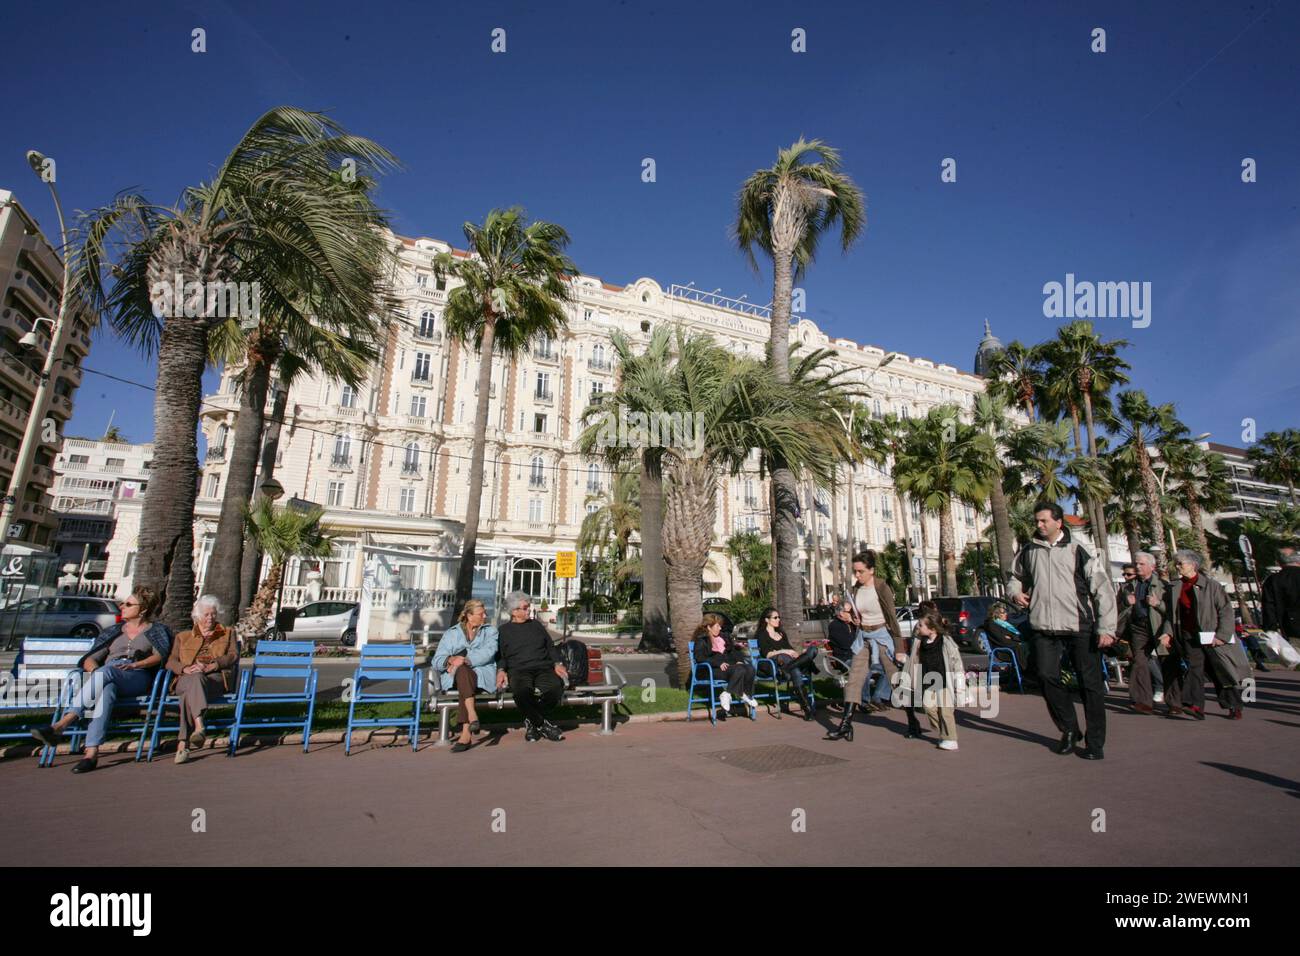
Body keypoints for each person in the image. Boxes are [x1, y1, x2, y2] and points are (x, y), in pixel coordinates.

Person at [1007, 501, 1116, 760]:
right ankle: (1069, 729)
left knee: (1090, 685)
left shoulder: (1078, 550)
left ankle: (1095, 742)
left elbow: (1102, 588)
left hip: (1079, 625)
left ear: (1058, 522)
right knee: (1046, 677)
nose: (1039, 525)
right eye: (1037, 521)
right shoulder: (1028, 550)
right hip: (1043, 624)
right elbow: (1014, 577)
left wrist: (1106, 627)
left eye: (1044, 521)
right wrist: (1014, 592)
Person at [30, 586, 173, 773]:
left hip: (138, 676)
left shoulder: (156, 630)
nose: (122, 606)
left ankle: (62, 724)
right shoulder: (114, 631)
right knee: (106, 691)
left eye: (128, 604)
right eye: (123, 603)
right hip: (109, 674)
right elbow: (89, 658)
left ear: (143, 609)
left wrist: (136, 665)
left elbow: (161, 656)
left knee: (106, 674)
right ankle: (91, 754)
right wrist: (98, 673)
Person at [826, 550, 913, 740]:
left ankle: (912, 721)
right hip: (864, 636)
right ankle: (845, 725)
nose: (857, 575)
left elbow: (892, 618)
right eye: (855, 571)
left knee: (894, 680)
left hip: (882, 636)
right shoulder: (856, 588)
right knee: (854, 679)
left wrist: (899, 649)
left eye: (860, 571)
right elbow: (860, 615)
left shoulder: (882, 588)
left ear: (871, 570)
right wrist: (855, 619)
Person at [1161, 550, 1245, 720]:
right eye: (1176, 563)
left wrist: (1222, 635)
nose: (1177, 567)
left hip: (1212, 636)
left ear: (1193, 565)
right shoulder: (1175, 587)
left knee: (1219, 671)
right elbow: (1171, 614)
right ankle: (1195, 705)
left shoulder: (1212, 586)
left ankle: (1233, 704)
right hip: (1188, 635)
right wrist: (1167, 633)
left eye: (1181, 564)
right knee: (1194, 668)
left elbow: (1225, 611)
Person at [167, 595, 239, 764]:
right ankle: (199, 726)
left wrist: (214, 665)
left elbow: (234, 656)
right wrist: (184, 668)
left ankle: (183, 744)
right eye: (206, 614)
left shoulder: (227, 633)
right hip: (186, 677)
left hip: (214, 678)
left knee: (188, 694)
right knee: (194, 678)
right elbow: (171, 661)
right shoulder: (183, 636)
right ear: (197, 616)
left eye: (213, 614)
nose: (210, 618)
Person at [495, 591, 568, 742]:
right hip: (519, 670)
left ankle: (532, 723)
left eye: (528, 607)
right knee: (521, 693)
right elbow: (501, 655)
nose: (529, 609)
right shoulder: (504, 631)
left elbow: (550, 647)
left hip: (543, 667)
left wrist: (557, 663)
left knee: (555, 688)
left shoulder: (536, 625)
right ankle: (543, 725)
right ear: (514, 611)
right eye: (525, 607)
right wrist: (501, 670)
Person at [432, 599, 499, 752]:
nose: (485, 616)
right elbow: (437, 660)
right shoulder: (452, 634)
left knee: (463, 673)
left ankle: (466, 733)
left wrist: (464, 660)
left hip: (481, 674)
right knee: (462, 674)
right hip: (455, 677)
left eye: (484, 613)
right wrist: (450, 659)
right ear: (469, 616)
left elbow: (488, 653)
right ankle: (472, 715)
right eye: (481, 614)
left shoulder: (490, 631)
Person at [898, 609, 967, 750]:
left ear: (932, 629)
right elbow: (914, 659)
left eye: (921, 625)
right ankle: (944, 731)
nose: (918, 627)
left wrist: (959, 681)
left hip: (944, 681)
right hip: (928, 680)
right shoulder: (920, 641)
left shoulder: (945, 641)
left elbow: (956, 661)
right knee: (928, 708)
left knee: (946, 712)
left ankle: (951, 739)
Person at [1115, 552, 1172, 715]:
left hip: (1158, 626)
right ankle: (1143, 702)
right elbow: (1116, 607)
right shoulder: (1128, 586)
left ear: (1151, 567)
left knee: (1168, 661)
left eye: (1141, 564)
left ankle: (1174, 702)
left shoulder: (1162, 584)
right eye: (1136, 564)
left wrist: (1158, 604)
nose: (1137, 567)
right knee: (1139, 662)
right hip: (1137, 627)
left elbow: (1171, 611)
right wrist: (1126, 601)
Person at [690, 613, 758, 718]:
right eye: (717, 626)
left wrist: (739, 660)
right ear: (709, 627)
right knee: (739, 670)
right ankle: (738, 694)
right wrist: (717, 663)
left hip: (730, 668)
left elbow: (734, 651)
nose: (720, 628)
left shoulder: (723, 637)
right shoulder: (702, 640)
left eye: (720, 625)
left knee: (750, 668)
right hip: (714, 670)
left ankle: (736, 694)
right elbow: (700, 658)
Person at [757, 607, 816, 719]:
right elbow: (767, 654)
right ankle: (807, 708)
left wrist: (795, 653)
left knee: (813, 649)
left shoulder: (781, 634)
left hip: (788, 664)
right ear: (767, 620)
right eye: (775, 617)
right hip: (777, 665)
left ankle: (789, 668)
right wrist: (784, 651)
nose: (778, 619)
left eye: (779, 617)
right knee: (791, 665)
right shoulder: (762, 635)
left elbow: (790, 650)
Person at [1261, 550, 1300, 655]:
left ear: (1280, 563)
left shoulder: (1273, 580)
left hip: (1290, 628)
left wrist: (1270, 628)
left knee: (1295, 659)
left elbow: (1269, 605)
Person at [985, 603, 1031, 677]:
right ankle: (1027, 675)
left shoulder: (1004, 624)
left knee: (1031, 646)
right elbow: (1002, 639)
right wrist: (1016, 641)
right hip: (1002, 650)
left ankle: (1028, 674)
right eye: (1003, 612)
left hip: (1011, 646)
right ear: (996, 613)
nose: (1006, 614)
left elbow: (1014, 635)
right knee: (1024, 649)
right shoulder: (991, 624)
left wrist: (1012, 637)